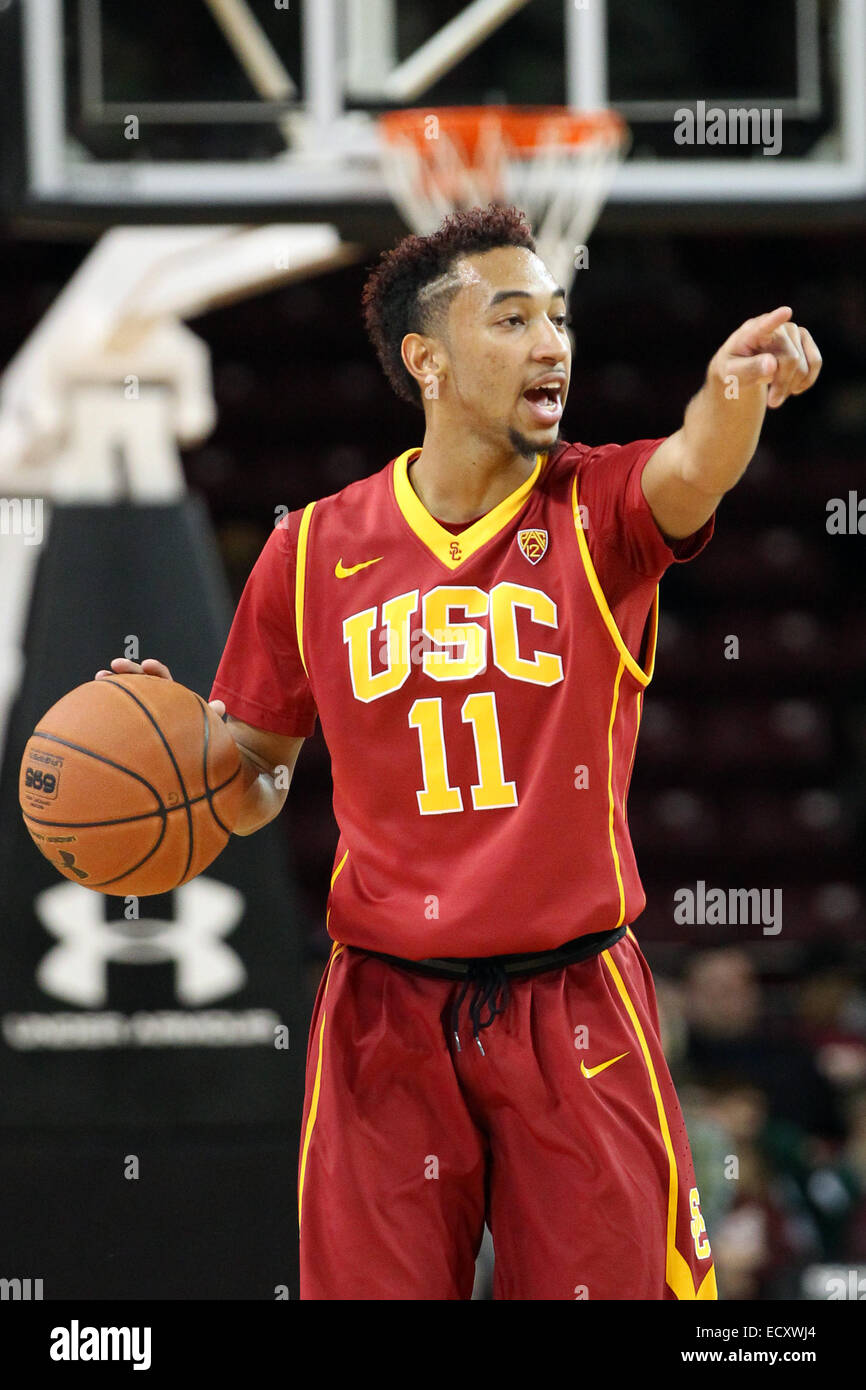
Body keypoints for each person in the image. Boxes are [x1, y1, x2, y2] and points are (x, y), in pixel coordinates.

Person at [96, 204, 822, 1300]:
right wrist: (172, 759)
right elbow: (253, 783)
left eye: (559, 317)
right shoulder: (310, 547)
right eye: (513, 317)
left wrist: (733, 393)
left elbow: (693, 469)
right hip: (383, 1015)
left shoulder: (597, 509)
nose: (551, 345)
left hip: (571, 1001)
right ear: (426, 359)